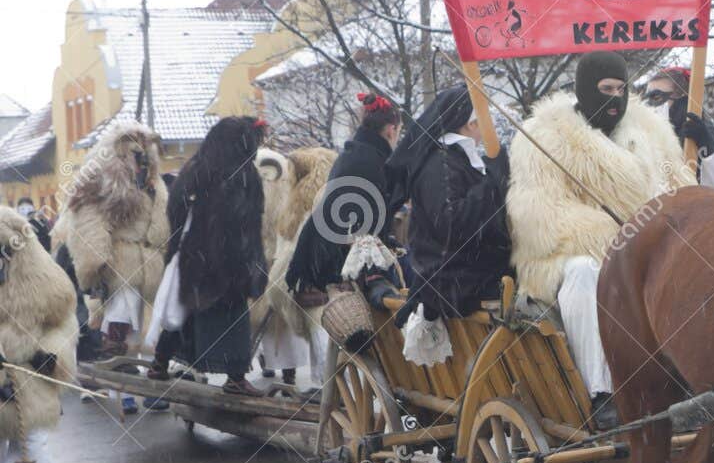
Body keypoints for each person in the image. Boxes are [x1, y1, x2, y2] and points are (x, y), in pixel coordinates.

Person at [507, 51, 690, 423]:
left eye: (622, 89)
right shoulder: (542, 138)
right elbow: (539, 219)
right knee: (583, 274)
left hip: (647, 251)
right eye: (606, 88)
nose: (616, 98)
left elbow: (680, 191)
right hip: (565, 258)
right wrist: (620, 240)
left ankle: (688, 378)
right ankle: (601, 393)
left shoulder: (652, 134)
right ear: (585, 90)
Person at [148, 117, 271, 396]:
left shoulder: (195, 168)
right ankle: (236, 378)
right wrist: (250, 262)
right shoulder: (244, 174)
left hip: (194, 254)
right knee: (234, 315)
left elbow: (175, 209)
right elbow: (247, 224)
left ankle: (160, 361)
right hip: (230, 259)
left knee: (185, 308)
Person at [390, 85, 511, 360]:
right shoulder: (440, 163)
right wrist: (493, 182)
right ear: (471, 123)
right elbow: (451, 224)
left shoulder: (459, 159)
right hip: (452, 279)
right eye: (485, 120)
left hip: (468, 271)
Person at [57, 123, 169, 362]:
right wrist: (96, 260)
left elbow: (162, 220)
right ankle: (115, 358)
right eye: (134, 154)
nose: (140, 161)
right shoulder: (101, 183)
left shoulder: (154, 185)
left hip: (149, 260)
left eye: (143, 155)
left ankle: (147, 374)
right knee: (122, 309)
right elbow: (89, 221)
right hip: (120, 258)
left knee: (145, 323)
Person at [0, 204, 81, 463]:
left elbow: (62, 323)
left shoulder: (43, 284)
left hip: (26, 377)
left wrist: (51, 355)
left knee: (34, 440)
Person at [286, 91, 405, 303]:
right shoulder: (373, 162)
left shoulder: (354, 153)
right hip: (335, 264)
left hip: (318, 252)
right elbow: (369, 228)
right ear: (391, 130)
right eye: (399, 132)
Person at [642, 66, 714, 193]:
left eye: (656, 98)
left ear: (683, 99)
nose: (649, 106)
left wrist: (710, 150)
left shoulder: (710, 136)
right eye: (646, 99)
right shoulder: (648, 140)